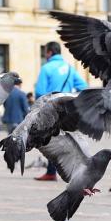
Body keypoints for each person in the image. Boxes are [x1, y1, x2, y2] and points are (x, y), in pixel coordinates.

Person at [33, 41, 87, 181]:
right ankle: (76, 169)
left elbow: (40, 91)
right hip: (69, 109)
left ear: (49, 52)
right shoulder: (69, 68)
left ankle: (52, 172)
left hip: (52, 110)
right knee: (70, 138)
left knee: (51, 138)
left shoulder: (46, 68)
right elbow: (83, 86)